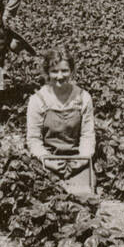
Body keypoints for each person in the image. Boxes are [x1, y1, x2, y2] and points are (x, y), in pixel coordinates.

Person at [26, 47, 96, 176]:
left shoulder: (83, 97)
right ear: (47, 72)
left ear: (72, 71)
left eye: (64, 71)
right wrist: (46, 159)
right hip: (47, 159)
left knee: (86, 193)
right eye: (54, 71)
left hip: (77, 158)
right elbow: (33, 139)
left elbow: (88, 135)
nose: (60, 76)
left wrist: (83, 159)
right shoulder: (37, 100)